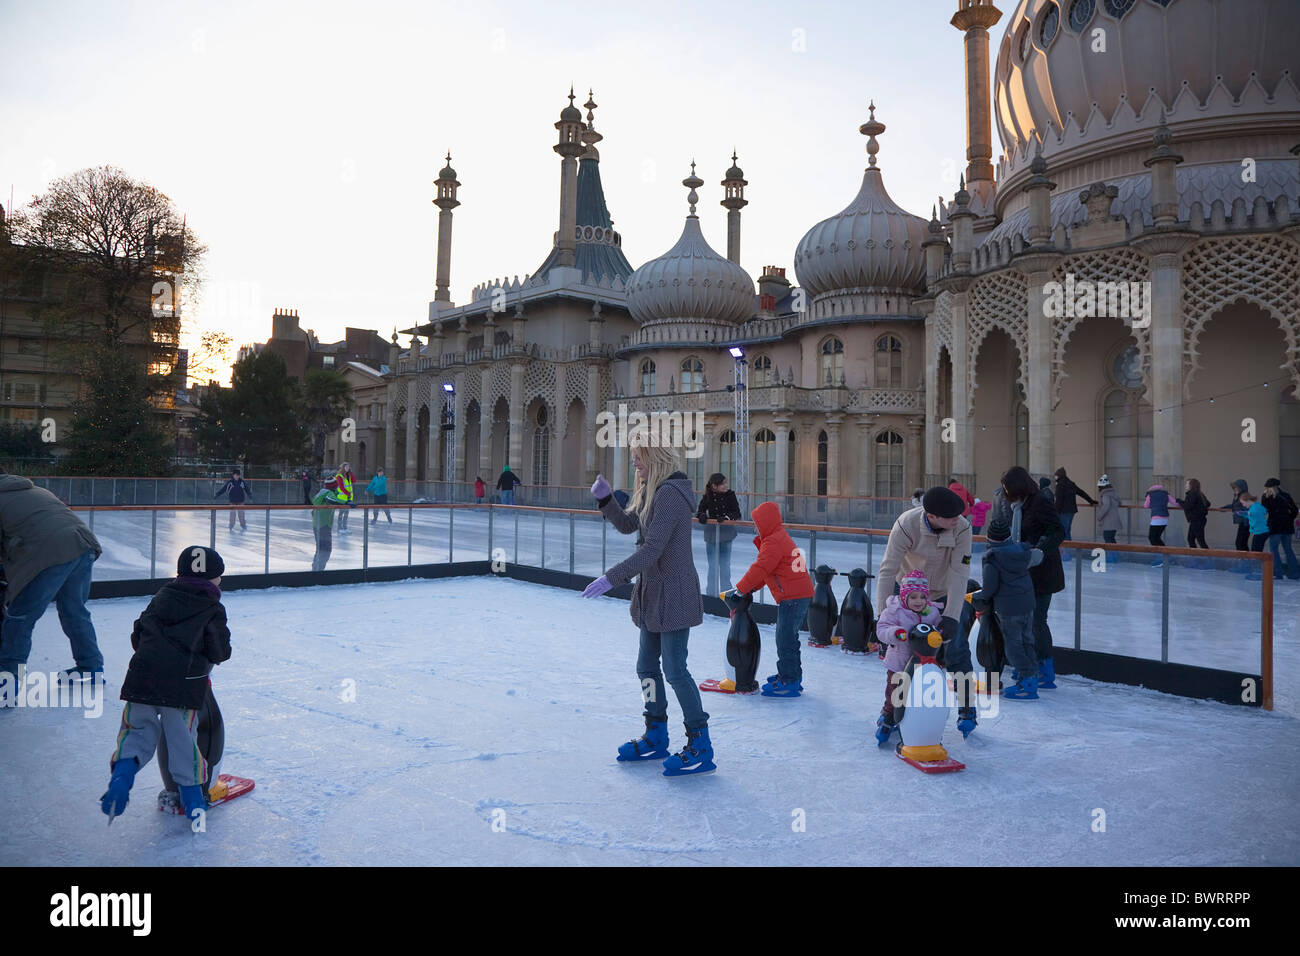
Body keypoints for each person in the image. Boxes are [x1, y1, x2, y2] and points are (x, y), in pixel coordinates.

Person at [583, 443, 710, 776]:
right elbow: (629, 526)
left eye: (639, 459)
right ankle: (656, 731)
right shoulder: (650, 491)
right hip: (653, 593)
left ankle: (700, 742)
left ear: (655, 457)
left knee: (675, 670)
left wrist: (613, 578)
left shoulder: (670, 495)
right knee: (646, 668)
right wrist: (606, 500)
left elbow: (652, 549)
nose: (635, 464)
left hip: (674, 593)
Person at [100, 546, 231, 825]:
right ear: (212, 579)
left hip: (141, 680)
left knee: (136, 731)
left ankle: (122, 778)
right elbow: (219, 650)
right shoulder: (212, 608)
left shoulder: (160, 598)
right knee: (183, 741)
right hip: (183, 689)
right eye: (219, 577)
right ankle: (194, 802)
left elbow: (138, 635)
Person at [875, 485, 976, 735]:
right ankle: (893, 711)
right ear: (931, 516)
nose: (958, 520)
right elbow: (888, 569)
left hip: (942, 594)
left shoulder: (962, 528)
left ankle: (967, 706)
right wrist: (882, 615)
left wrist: (951, 615)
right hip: (908, 592)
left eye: (958, 515)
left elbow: (959, 572)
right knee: (905, 655)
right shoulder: (906, 524)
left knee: (957, 650)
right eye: (951, 517)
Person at [0, 469, 104, 701]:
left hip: (49, 553)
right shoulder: (33, 488)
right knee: (74, 610)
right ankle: (91, 668)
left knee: (19, 619)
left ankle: (6, 688)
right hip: (83, 543)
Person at [990, 466, 1064, 690]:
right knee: (1029, 623)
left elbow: (1057, 530)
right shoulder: (1018, 506)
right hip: (1024, 572)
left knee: (1038, 622)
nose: (1005, 491)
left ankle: (1045, 671)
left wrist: (1039, 550)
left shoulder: (1040, 501)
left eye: (1007, 487)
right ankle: (1030, 668)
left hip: (1043, 571)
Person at [733, 501, 815, 698]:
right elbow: (767, 572)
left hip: (793, 597)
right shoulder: (778, 538)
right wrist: (751, 587)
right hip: (798, 594)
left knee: (785, 638)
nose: (755, 527)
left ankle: (789, 681)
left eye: (757, 523)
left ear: (766, 522)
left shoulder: (773, 542)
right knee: (788, 637)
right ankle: (792, 676)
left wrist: (740, 588)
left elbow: (760, 568)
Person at [973, 516, 1040, 699]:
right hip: (1027, 604)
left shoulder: (993, 559)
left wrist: (975, 596)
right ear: (1009, 535)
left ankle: (1027, 682)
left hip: (1009, 608)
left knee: (1013, 645)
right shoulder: (1021, 551)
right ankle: (1032, 675)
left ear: (989, 537)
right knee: (1027, 640)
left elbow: (989, 589)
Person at [873, 570, 943, 743]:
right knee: (895, 694)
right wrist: (894, 633)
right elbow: (881, 629)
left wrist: (940, 635)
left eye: (922, 597)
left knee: (918, 695)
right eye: (913, 597)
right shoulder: (894, 611)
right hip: (898, 663)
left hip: (922, 666)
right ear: (904, 597)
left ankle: (914, 721)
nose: (918, 601)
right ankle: (888, 717)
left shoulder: (932, 612)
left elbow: (938, 628)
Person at [696, 473, 741, 595]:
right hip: (712, 535)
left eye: (726, 483)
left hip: (726, 535)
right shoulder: (708, 496)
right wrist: (702, 516)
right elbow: (699, 510)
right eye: (723, 484)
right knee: (713, 566)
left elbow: (737, 513)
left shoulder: (730, 495)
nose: (726, 486)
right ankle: (711, 593)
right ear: (714, 486)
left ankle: (727, 594)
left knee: (725, 566)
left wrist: (726, 517)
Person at [1261, 479, 1300, 580]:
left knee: (1274, 549)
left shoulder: (1266, 497)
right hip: (1287, 526)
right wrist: (1288, 518)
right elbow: (1295, 510)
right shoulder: (1286, 495)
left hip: (1275, 526)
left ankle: (1277, 573)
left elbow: (1264, 511)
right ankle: (1294, 573)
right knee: (1288, 549)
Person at [1052, 467, 1096, 541]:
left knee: (1064, 530)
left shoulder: (1060, 485)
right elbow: (1081, 492)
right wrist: (1091, 501)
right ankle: (1068, 548)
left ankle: (1066, 549)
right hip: (1072, 510)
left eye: (1056, 475)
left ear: (1059, 475)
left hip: (1063, 511)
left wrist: (1056, 512)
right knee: (1067, 529)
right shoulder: (1071, 484)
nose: (1055, 477)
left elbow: (1059, 500)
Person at [311, 479, 344, 571]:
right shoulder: (329, 493)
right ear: (333, 486)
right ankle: (318, 571)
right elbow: (332, 500)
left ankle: (315, 569)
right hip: (324, 525)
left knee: (320, 549)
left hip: (317, 524)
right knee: (326, 550)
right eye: (336, 485)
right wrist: (346, 503)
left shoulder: (322, 492)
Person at [1177, 478, 1211, 550]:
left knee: (1200, 540)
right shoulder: (1199, 493)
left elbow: (1188, 506)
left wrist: (1179, 501)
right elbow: (1208, 504)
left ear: (1191, 485)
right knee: (1191, 539)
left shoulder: (1192, 494)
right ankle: (1195, 556)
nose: (1185, 485)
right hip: (1198, 520)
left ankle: (1208, 557)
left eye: (1187, 484)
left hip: (1197, 520)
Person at [1096, 474, 1123, 544]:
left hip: (1108, 522)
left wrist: (1099, 516)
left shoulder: (1105, 495)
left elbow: (1106, 505)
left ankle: (1112, 555)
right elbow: (1119, 503)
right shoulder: (1114, 493)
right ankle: (1115, 554)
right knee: (1111, 539)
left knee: (1107, 539)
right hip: (1115, 520)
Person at [1144, 482, 1170, 551]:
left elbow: (1146, 506)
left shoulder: (1150, 495)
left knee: (1152, 537)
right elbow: (1175, 503)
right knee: (1157, 537)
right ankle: (1165, 554)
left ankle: (1161, 555)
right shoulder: (1165, 494)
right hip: (1165, 518)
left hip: (1156, 518)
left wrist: (1153, 505)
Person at [1228, 479, 1252, 552]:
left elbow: (1246, 509)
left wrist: (1246, 524)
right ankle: (1245, 559)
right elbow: (1234, 505)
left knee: (1240, 543)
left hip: (1245, 523)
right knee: (1241, 543)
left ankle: (1244, 559)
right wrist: (1223, 508)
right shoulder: (1238, 496)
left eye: (1236, 487)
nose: (1235, 489)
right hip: (1243, 523)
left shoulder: (1244, 496)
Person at [334, 463, 354, 533]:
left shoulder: (348, 475)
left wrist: (350, 473)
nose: (348, 468)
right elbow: (341, 487)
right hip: (342, 498)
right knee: (341, 513)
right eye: (346, 467)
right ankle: (339, 528)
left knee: (346, 513)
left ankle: (345, 528)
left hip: (348, 498)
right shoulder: (339, 476)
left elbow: (354, 481)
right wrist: (347, 493)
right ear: (343, 468)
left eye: (349, 467)